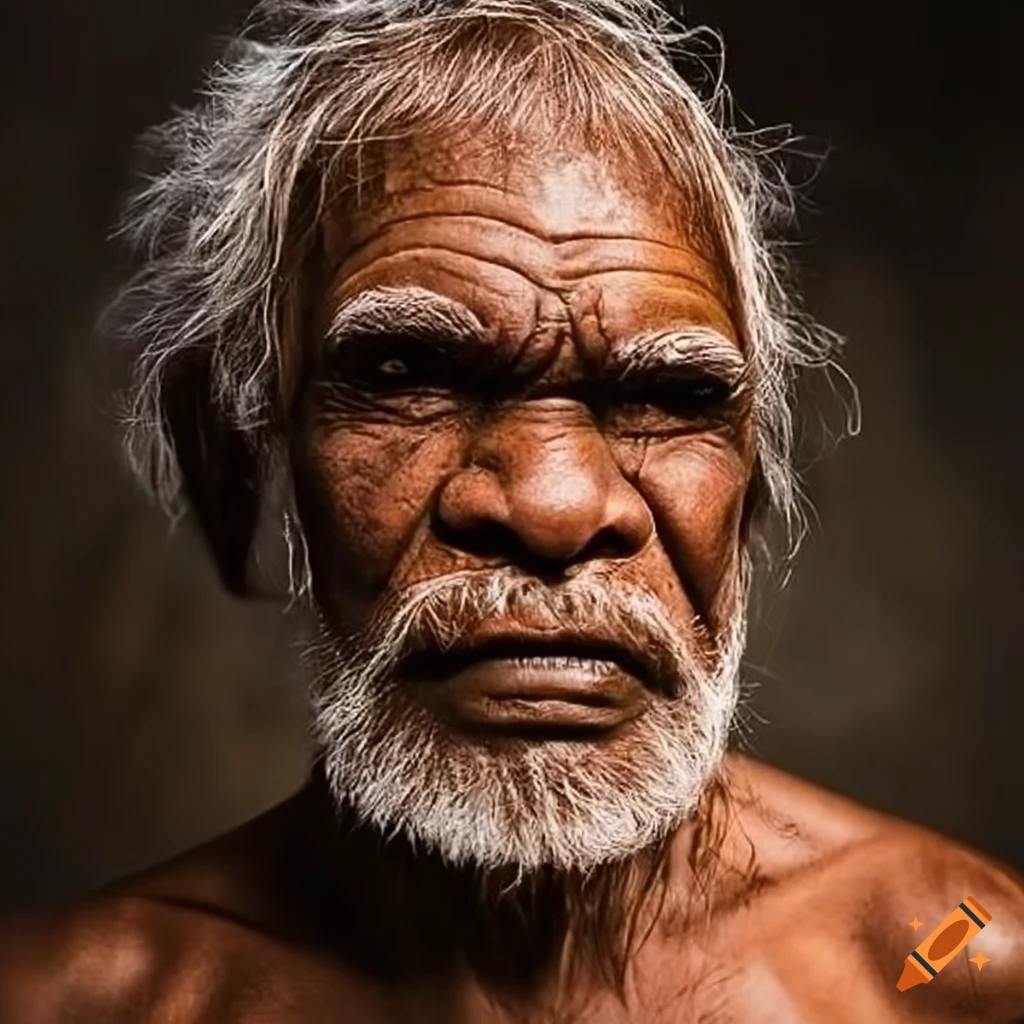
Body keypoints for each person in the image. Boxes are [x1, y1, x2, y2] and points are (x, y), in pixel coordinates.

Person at [1, 0, 1021, 1020]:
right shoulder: (65, 1000)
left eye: (668, 397)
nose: (554, 504)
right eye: (409, 375)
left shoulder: (950, 961)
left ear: (749, 488)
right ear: (242, 468)